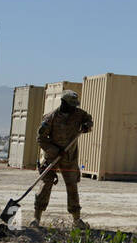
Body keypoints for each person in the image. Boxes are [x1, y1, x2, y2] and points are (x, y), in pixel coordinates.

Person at [33, 90, 94, 229]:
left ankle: (77, 220)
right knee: (45, 185)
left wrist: (87, 126)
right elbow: (41, 139)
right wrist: (54, 150)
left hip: (69, 157)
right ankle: (36, 218)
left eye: (75, 105)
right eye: (71, 105)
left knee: (72, 187)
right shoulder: (50, 118)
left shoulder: (79, 114)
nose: (74, 108)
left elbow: (89, 119)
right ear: (63, 103)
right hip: (52, 158)